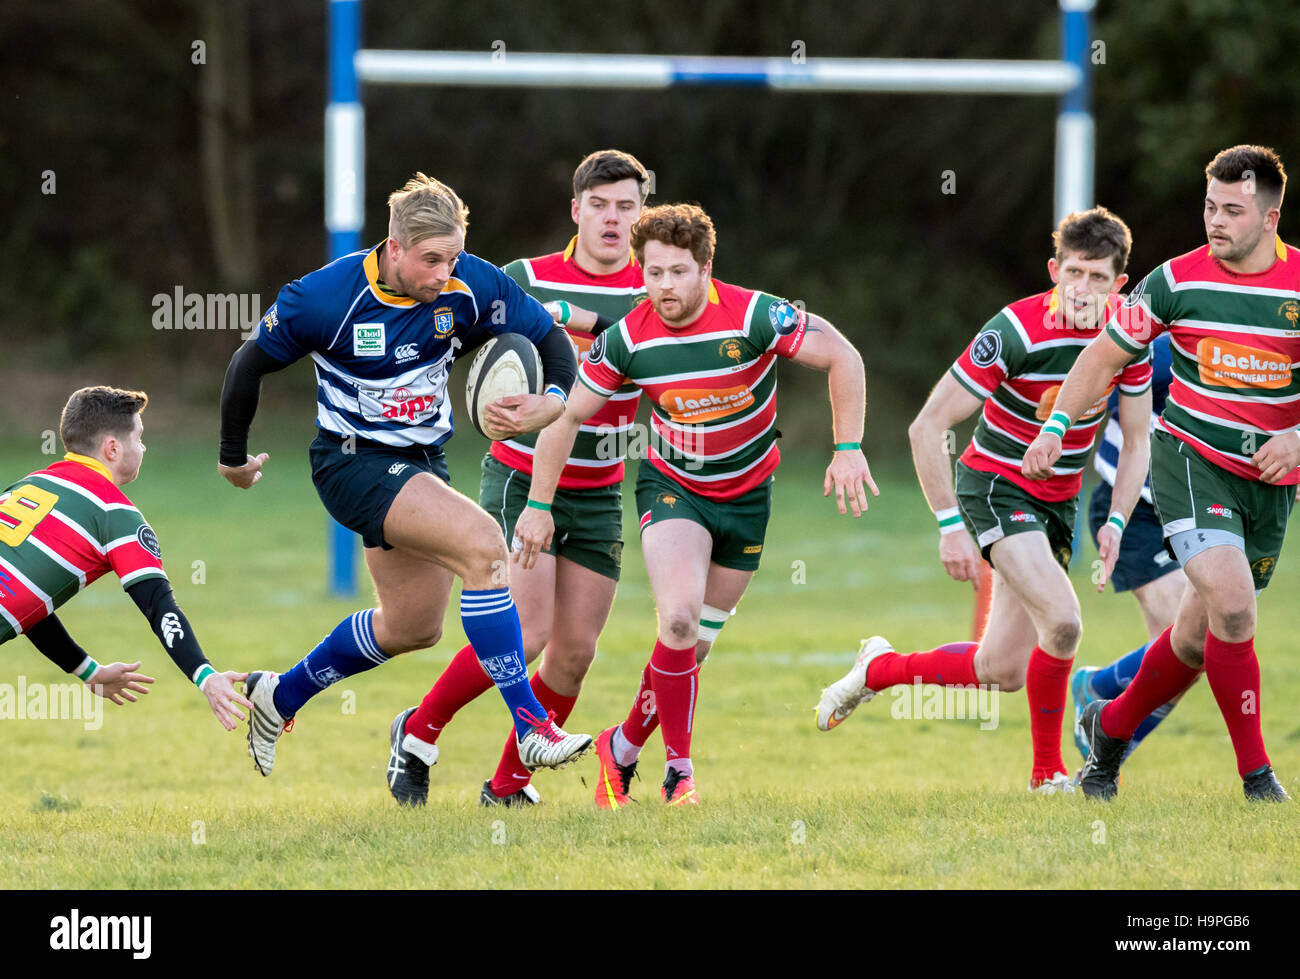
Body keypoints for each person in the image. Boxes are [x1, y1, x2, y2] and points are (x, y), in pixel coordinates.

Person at [218, 173, 592, 786]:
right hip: (349, 463)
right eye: (430, 260)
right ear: (393, 249)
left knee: (413, 626)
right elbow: (246, 363)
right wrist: (234, 457)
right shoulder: (324, 298)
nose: (444, 272)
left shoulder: (471, 282)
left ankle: (278, 696)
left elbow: (550, 339)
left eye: (452, 256)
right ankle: (531, 727)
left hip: (422, 463)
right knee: (483, 547)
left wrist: (551, 400)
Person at [515, 202, 876, 806]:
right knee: (678, 620)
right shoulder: (629, 337)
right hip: (672, 487)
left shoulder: (756, 314)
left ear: (707, 267)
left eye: (678, 272)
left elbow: (844, 356)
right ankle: (679, 772)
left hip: (748, 498)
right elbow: (568, 417)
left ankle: (621, 748)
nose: (664, 287)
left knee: (692, 648)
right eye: (653, 273)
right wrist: (538, 503)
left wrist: (848, 448)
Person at [816, 206, 1153, 795]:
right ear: (1054, 269)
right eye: (1074, 272)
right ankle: (1048, 776)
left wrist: (1118, 519)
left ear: (1120, 284)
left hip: (1059, 502)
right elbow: (928, 427)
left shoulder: (1128, 338)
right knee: (1066, 622)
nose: (1083, 289)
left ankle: (879, 668)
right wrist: (949, 525)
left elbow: (1138, 441)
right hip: (995, 487)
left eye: (1099, 277)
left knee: (1001, 670)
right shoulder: (1015, 330)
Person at [1024, 145, 1298, 802]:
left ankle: (1108, 730)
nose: (1216, 221)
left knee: (1197, 639)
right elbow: (1099, 356)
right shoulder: (1175, 282)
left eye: (1232, 210)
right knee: (1233, 606)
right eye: (1209, 206)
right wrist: (1059, 425)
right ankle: (1258, 778)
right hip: (1189, 463)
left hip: (1267, 486)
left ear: (1270, 216)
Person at [388, 151, 649, 808]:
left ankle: (508, 785)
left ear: (641, 214)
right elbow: (455, 334)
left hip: (599, 488)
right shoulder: (523, 277)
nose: (613, 219)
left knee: (574, 653)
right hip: (520, 479)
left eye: (626, 207)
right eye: (600, 206)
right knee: (528, 632)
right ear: (576, 210)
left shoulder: (658, 286)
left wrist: (576, 320)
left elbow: (651, 348)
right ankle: (418, 732)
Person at [1, 386, 249, 728]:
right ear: (113, 448)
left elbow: (27, 598)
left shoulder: (29, 485)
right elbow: (160, 607)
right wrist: (205, 676)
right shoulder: (114, 513)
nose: (143, 447)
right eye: (139, 437)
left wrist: (88, 670)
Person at [1071, 331, 1196, 762]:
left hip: (1200, 513)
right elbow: (1083, 398)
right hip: (1134, 510)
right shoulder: (1161, 352)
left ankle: (1103, 713)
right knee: (1191, 636)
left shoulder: (1267, 357)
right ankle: (1102, 707)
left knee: (1183, 662)